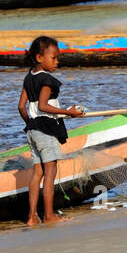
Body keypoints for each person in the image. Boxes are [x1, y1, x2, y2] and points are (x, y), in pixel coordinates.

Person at [17, 36, 85, 225]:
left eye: (58, 58)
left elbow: (21, 107)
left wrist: (31, 124)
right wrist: (68, 112)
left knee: (37, 173)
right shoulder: (47, 80)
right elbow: (44, 106)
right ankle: (49, 215)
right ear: (40, 58)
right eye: (53, 58)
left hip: (32, 131)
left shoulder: (29, 77)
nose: (57, 61)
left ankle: (32, 216)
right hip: (46, 131)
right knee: (50, 173)